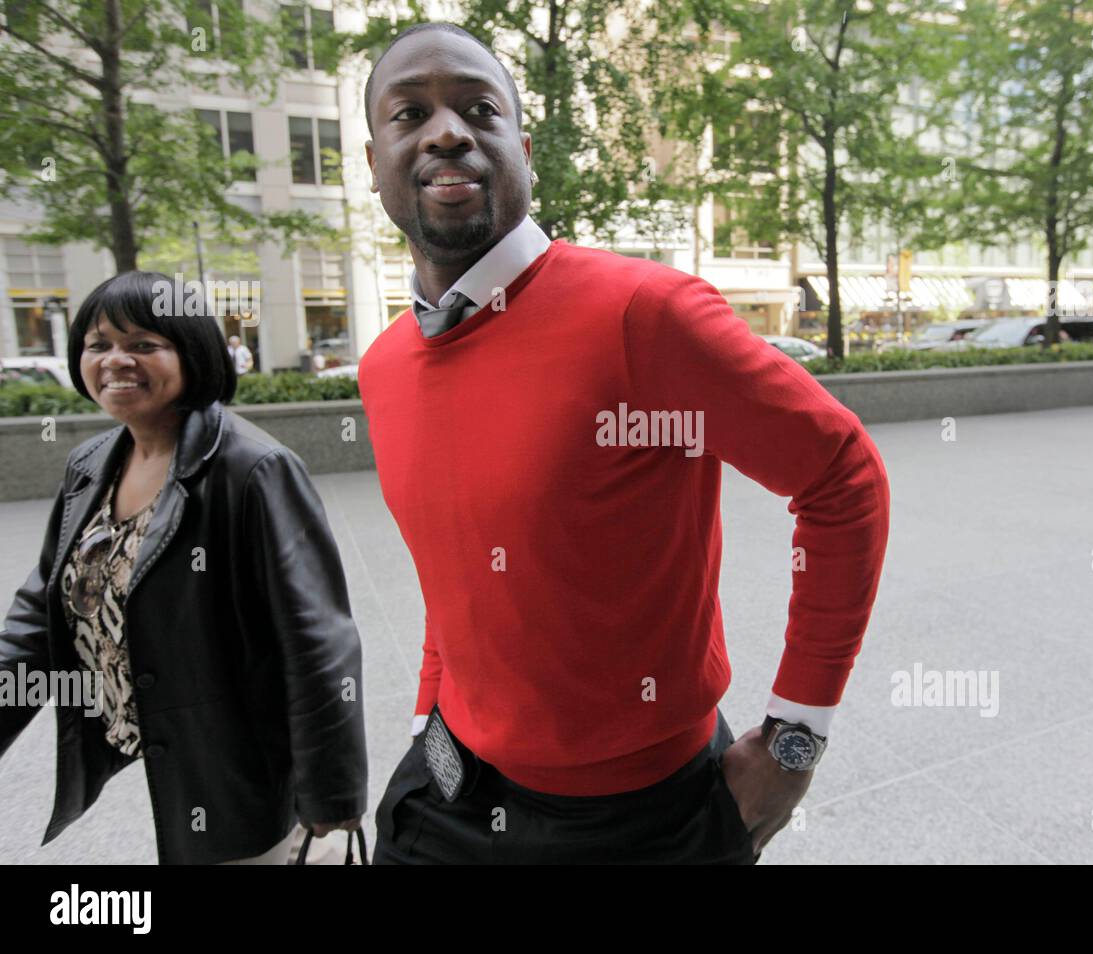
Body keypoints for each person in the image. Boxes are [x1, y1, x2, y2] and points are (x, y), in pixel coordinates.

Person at [358, 23, 890, 865]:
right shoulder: (384, 366)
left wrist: (795, 740)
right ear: (374, 160)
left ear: (523, 150)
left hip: (645, 820)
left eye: (478, 108)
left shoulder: (645, 315)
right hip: (449, 794)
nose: (448, 130)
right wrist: (430, 714)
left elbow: (843, 478)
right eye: (410, 112)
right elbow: (455, 573)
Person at [0, 271, 368, 864]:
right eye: (100, 345)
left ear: (192, 352)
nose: (117, 360)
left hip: (237, 768)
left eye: (144, 344)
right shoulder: (91, 465)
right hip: (155, 749)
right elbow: (39, 613)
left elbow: (317, 641)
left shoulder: (253, 470)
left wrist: (332, 791)